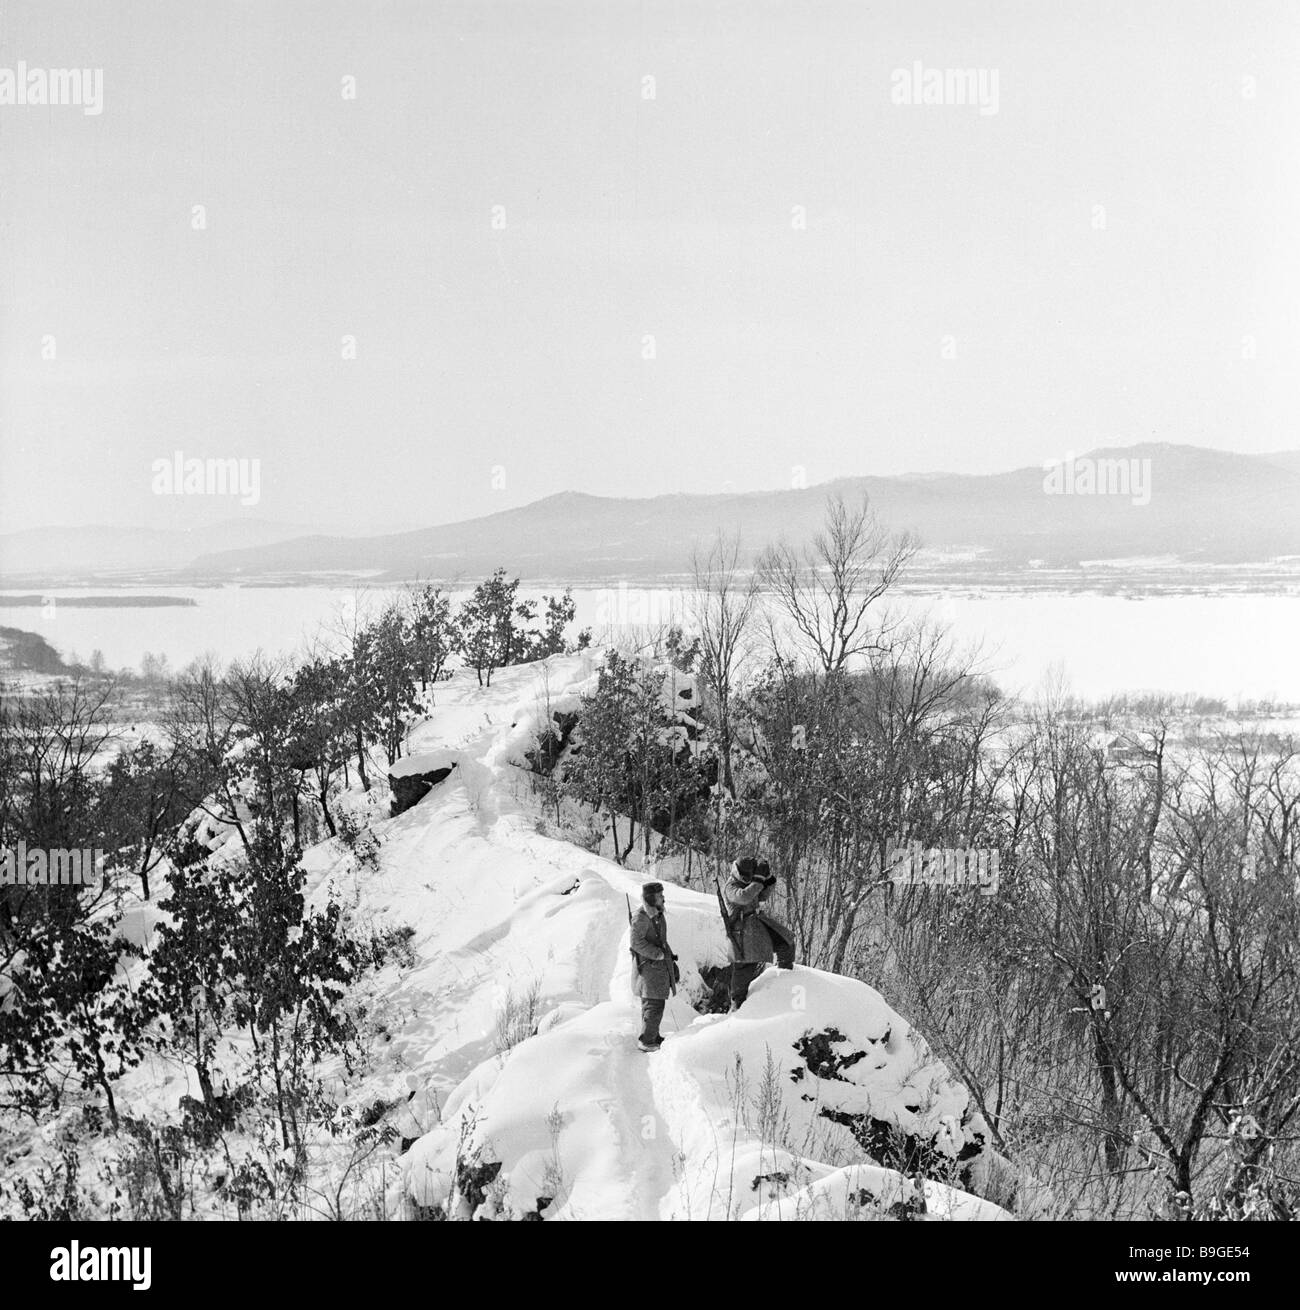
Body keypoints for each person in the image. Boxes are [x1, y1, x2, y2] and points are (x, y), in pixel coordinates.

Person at [721, 855, 796, 1010]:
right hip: (742, 930)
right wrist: (758, 880)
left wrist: (767, 879)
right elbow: (743, 897)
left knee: (786, 942)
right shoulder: (731, 885)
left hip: (757, 923)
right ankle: (737, 1004)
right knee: (746, 965)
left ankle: (784, 979)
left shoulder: (749, 882)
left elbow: (762, 896)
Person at [630, 881, 679, 1052]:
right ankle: (647, 1040)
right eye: (660, 896)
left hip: (657, 966)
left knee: (654, 1002)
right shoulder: (642, 917)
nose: (663, 898)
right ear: (651, 898)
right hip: (649, 967)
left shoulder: (656, 914)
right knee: (653, 1004)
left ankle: (653, 1035)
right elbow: (636, 942)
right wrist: (657, 955)